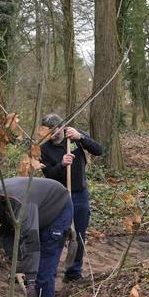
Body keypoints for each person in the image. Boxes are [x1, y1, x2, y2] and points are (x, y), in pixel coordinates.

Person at [38, 113, 105, 281]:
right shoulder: (44, 149)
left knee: (79, 234)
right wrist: (61, 164)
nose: (51, 135)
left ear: (61, 127)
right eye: (47, 132)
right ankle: (49, 272)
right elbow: (49, 175)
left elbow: (99, 150)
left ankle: (74, 272)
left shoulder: (73, 137)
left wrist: (81, 137)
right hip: (59, 196)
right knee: (58, 234)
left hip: (80, 194)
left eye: (54, 131)